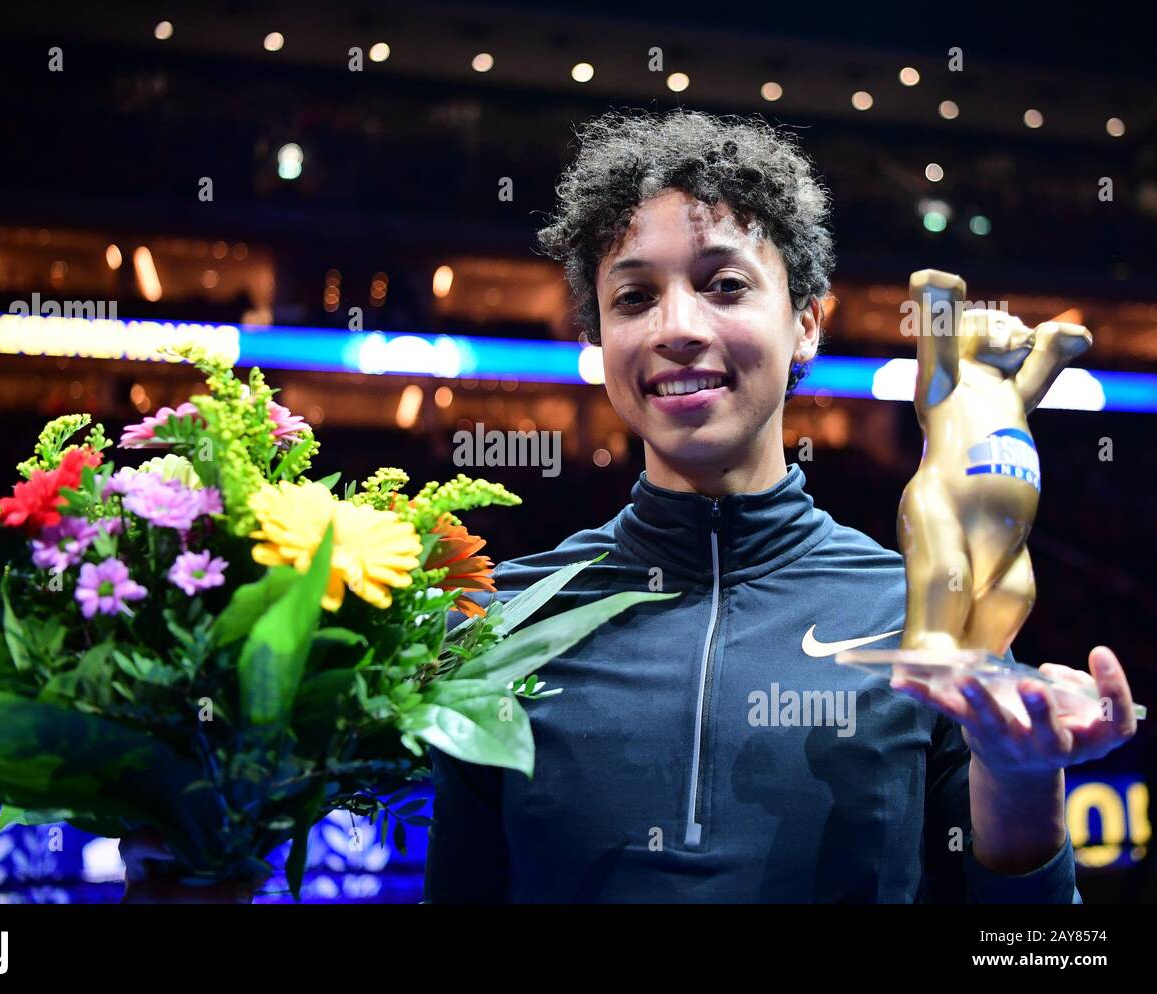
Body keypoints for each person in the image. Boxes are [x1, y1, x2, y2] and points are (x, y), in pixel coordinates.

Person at [422, 109, 1139, 903]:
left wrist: (1022, 783)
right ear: (599, 341)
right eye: (633, 298)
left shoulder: (931, 617)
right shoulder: (499, 621)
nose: (677, 328)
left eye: (724, 286)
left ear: (806, 324)